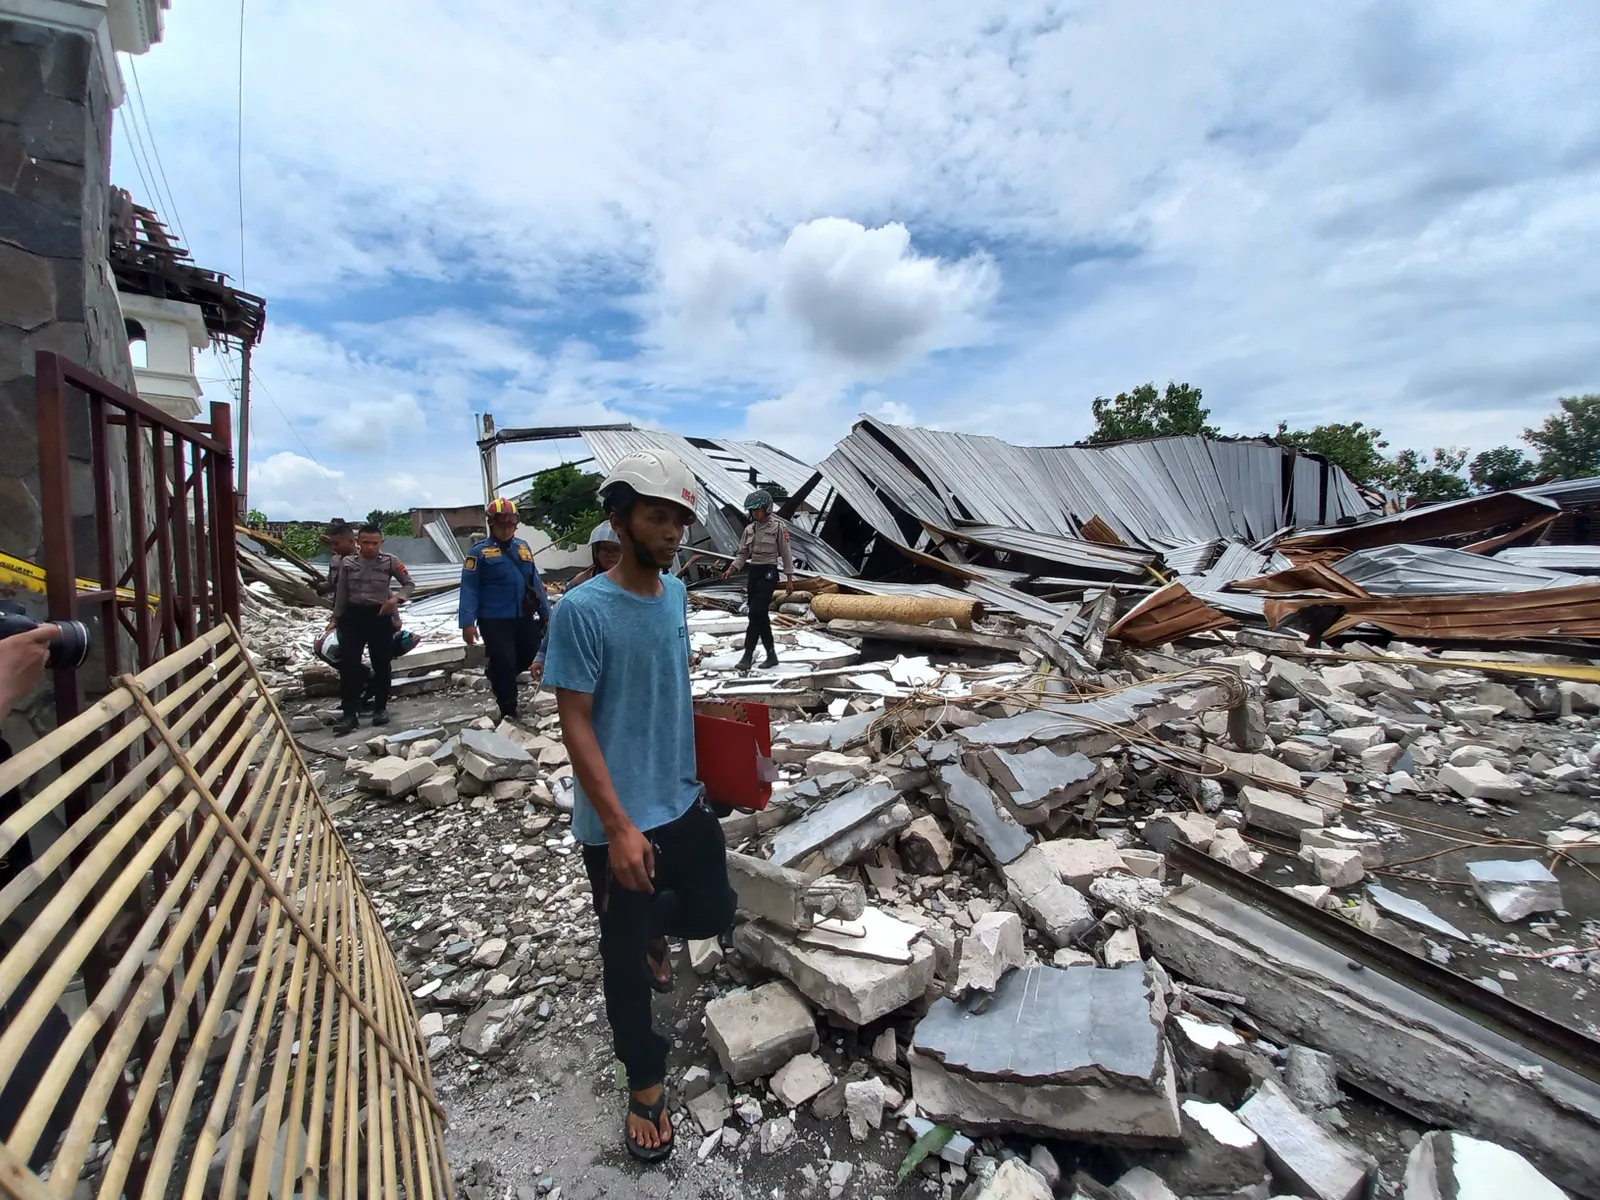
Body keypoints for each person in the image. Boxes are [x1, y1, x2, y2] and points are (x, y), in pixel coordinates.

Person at [543, 450, 736, 1164]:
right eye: (659, 516)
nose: (674, 532)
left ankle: (654, 927)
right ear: (620, 520)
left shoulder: (678, 595)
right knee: (623, 963)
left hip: (683, 800)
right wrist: (619, 827)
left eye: (681, 519)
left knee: (715, 912)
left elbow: (669, 693)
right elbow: (576, 722)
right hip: (618, 823)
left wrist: (719, 767)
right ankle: (645, 1080)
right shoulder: (582, 612)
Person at [459, 497, 552, 722]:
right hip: (494, 618)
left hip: (523, 615)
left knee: (533, 654)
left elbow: (534, 579)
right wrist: (467, 622)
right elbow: (469, 588)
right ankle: (509, 710)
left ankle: (497, 673)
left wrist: (547, 611)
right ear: (492, 523)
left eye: (511, 523)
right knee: (504, 660)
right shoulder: (478, 553)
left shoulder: (522, 547)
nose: (507, 528)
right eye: (502, 523)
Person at [328, 524, 414, 734]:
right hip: (353, 617)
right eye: (365, 542)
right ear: (358, 542)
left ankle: (381, 708)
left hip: (379, 616)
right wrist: (335, 618)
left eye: (374, 543)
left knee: (381, 663)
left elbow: (409, 584)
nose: (370, 547)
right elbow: (341, 593)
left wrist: (395, 601)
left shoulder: (390, 561)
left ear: (381, 543)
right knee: (349, 665)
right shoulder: (347, 563)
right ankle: (350, 714)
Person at [722, 488, 794, 672]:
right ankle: (771, 655)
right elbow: (742, 553)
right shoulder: (749, 530)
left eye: (757, 509)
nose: (754, 513)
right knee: (759, 616)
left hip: (769, 572)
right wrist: (732, 568)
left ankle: (748, 655)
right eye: (752, 510)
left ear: (767, 508)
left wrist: (789, 578)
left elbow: (786, 554)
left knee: (756, 613)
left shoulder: (778, 528)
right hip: (753, 572)